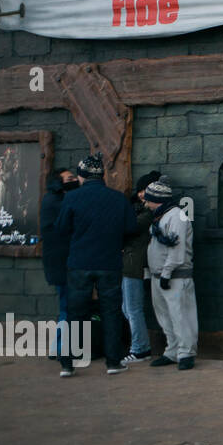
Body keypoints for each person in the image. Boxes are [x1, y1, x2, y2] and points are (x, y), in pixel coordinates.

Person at [54, 152, 138, 377]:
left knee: (75, 313)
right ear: (102, 176)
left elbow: (61, 230)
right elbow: (131, 229)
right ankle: (113, 362)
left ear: (82, 177)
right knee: (110, 312)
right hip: (110, 263)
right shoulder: (118, 199)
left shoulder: (71, 199)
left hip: (79, 263)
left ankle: (67, 364)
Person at [143, 177, 197, 371]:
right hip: (159, 276)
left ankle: (186, 354)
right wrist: (150, 273)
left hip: (175, 277)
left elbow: (177, 249)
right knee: (165, 317)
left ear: (157, 199)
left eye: (148, 199)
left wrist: (166, 273)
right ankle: (172, 351)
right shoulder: (160, 217)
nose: (146, 203)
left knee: (181, 316)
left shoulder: (177, 216)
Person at [119, 171, 161, 366]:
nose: (143, 194)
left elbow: (129, 228)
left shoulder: (147, 213)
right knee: (127, 308)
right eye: (141, 190)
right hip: (130, 264)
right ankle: (140, 346)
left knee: (133, 308)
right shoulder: (137, 209)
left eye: (147, 190)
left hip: (135, 265)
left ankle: (140, 348)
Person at [39, 167, 78, 359]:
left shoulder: (51, 200)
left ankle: (59, 346)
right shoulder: (58, 202)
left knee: (66, 306)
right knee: (67, 307)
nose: (73, 180)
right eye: (69, 178)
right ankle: (62, 348)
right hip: (63, 264)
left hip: (58, 263)